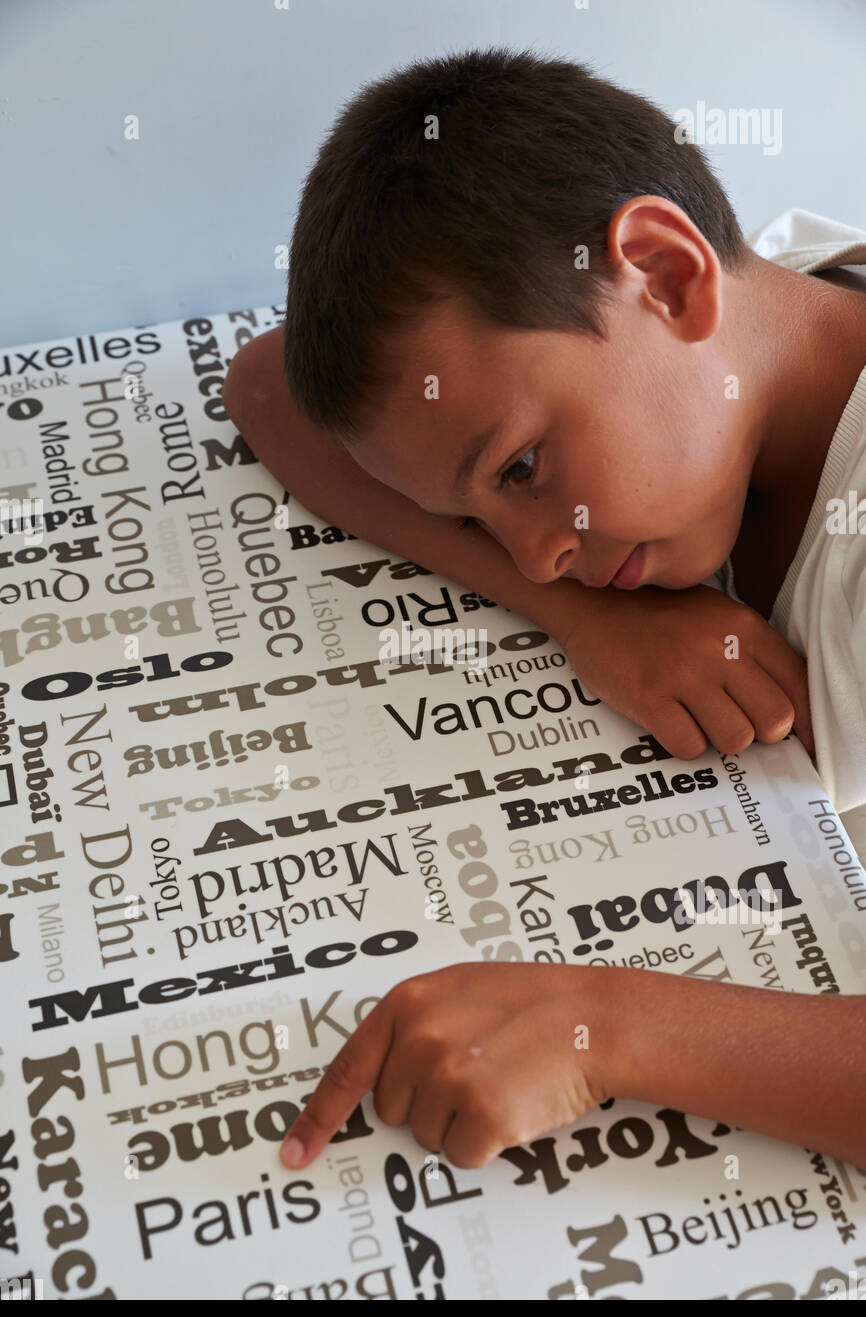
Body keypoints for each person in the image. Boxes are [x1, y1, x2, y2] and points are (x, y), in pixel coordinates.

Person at [221, 48, 866, 1172]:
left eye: (519, 469)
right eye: (479, 510)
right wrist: (589, 618)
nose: (536, 552)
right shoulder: (775, 311)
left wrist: (598, 1028)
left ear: (667, 275)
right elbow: (268, 382)